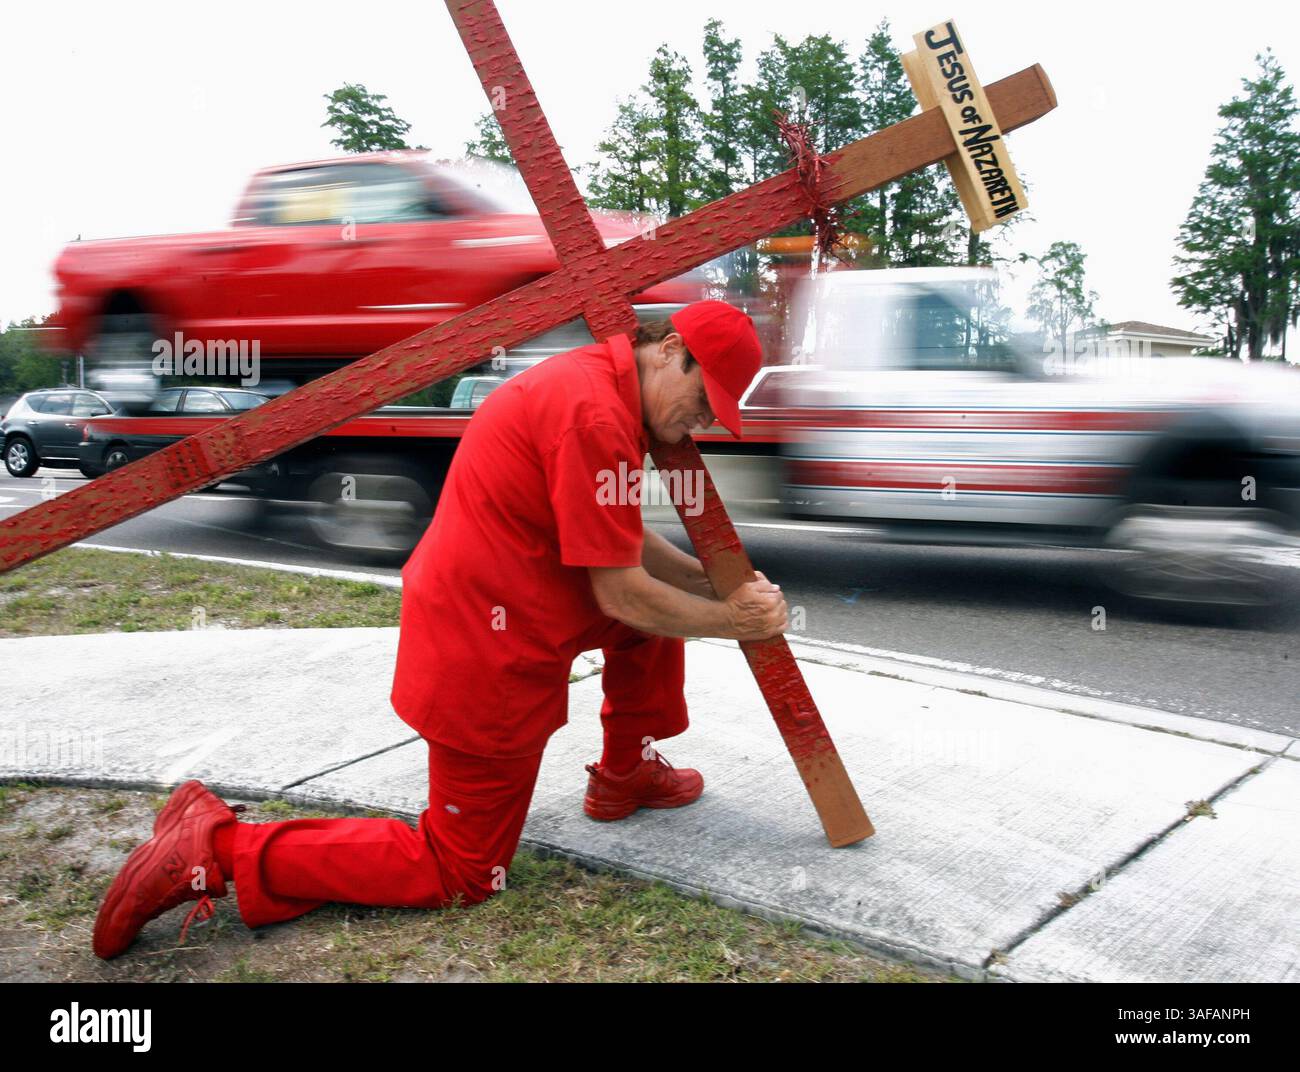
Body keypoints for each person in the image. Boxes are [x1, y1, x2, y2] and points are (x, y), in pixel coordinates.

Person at [92, 299, 788, 959]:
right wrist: (732, 619)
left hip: (513, 607)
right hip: (483, 648)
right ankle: (215, 851)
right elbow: (623, 594)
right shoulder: (595, 418)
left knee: (656, 621)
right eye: (704, 403)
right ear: (671, 351)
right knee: (461, 870)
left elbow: (615, 537)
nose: (704, 423)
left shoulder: (595, 386)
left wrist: (705, 581)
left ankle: (623, 774)